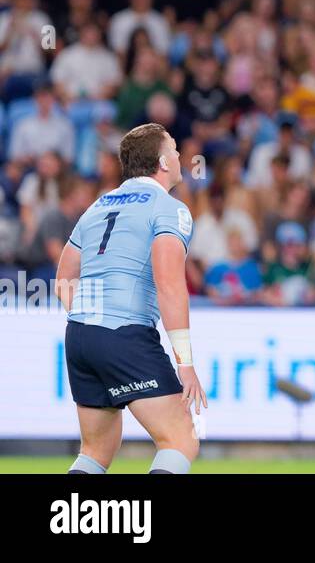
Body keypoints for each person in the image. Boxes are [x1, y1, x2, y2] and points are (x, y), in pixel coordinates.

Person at [54, 123, 206, 474]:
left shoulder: (97, 206)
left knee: (95, 450)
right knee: (181, 438)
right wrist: (185, 362)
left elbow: (64, 278)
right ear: (163, 163)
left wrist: (92, 319)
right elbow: (169, 283)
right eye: (174, 148)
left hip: (80, 336)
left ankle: (72, 523)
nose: (180, 155)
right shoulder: (170, 208)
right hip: (125, 332)